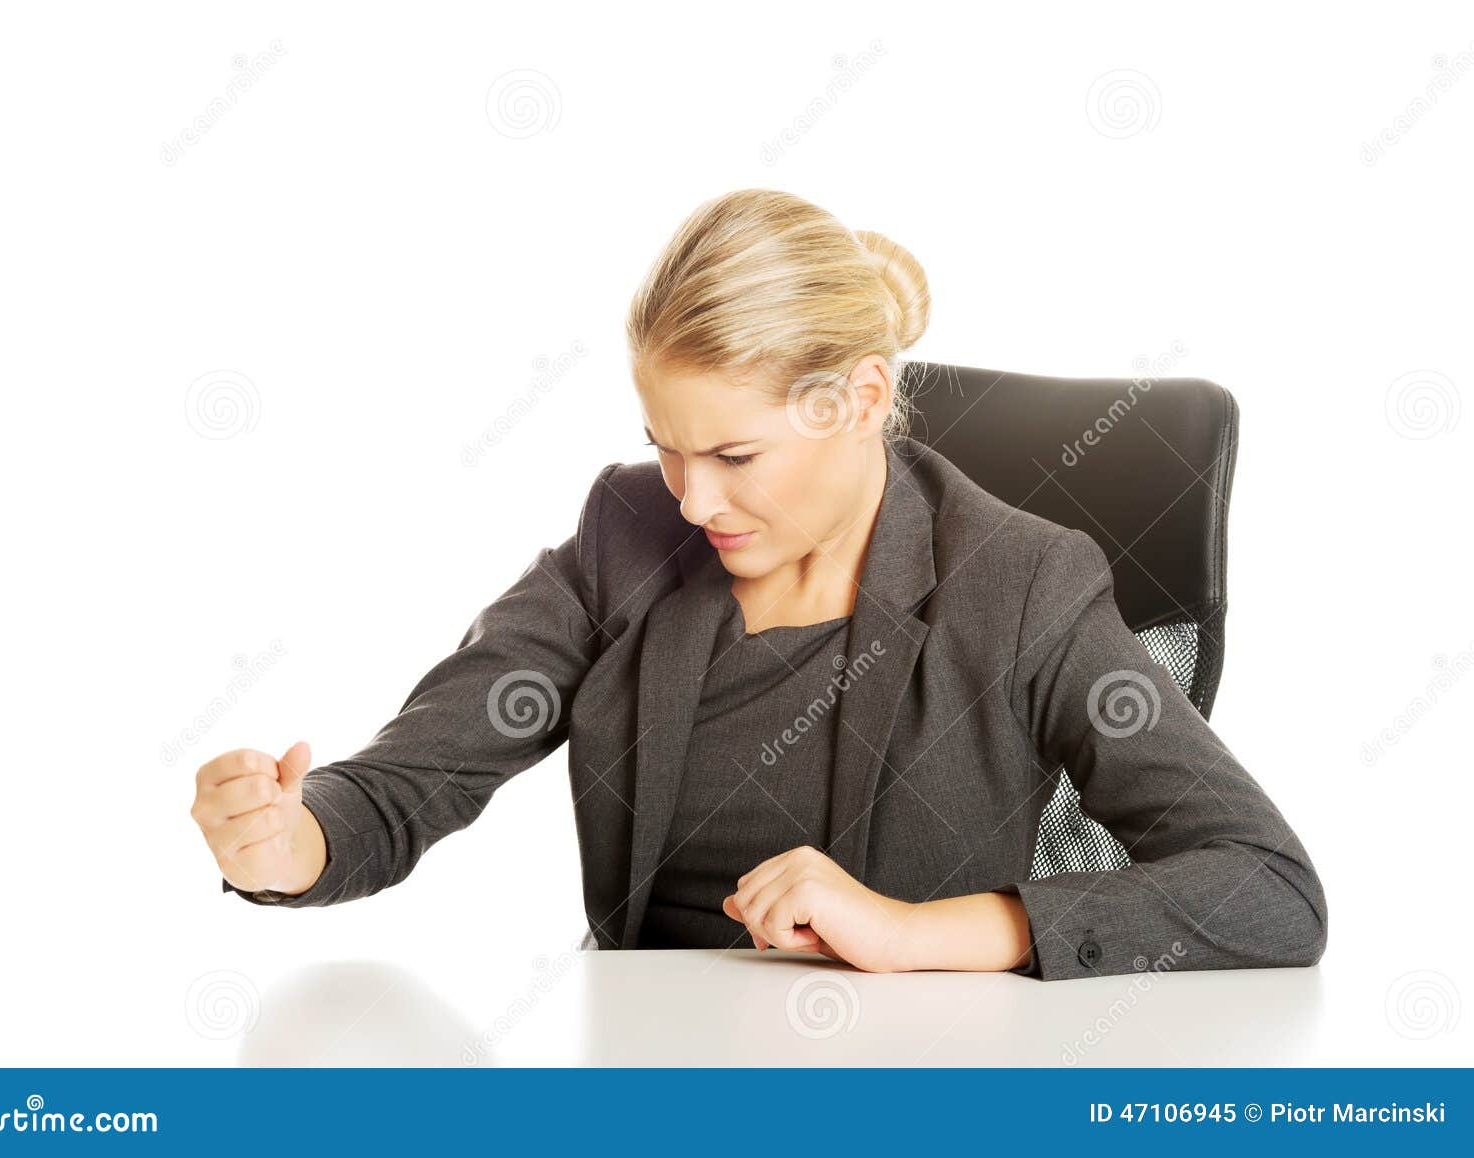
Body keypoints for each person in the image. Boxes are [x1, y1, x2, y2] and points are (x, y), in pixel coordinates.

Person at [189, 189, 1327, 980]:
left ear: (862, 400)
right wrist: (297, 844)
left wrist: (914, 932)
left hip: (907, 1092)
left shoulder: (1020, 582)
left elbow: (1265, 887)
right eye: (667, 447)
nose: (691, 502)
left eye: (735, 458)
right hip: (652, 1083)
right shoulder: (624, 534)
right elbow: (409, 781)